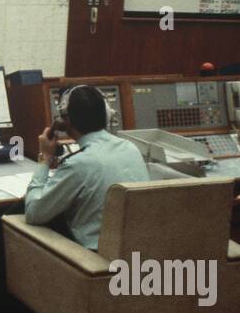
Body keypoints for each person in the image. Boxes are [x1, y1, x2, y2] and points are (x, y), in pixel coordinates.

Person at [24, 84, 149, 250]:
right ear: (106, 114)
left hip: (97, 256)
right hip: (138, 249)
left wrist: (45, 159)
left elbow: (34, 214)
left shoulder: (78, 164)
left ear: (63, 120)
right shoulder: (130, 148)